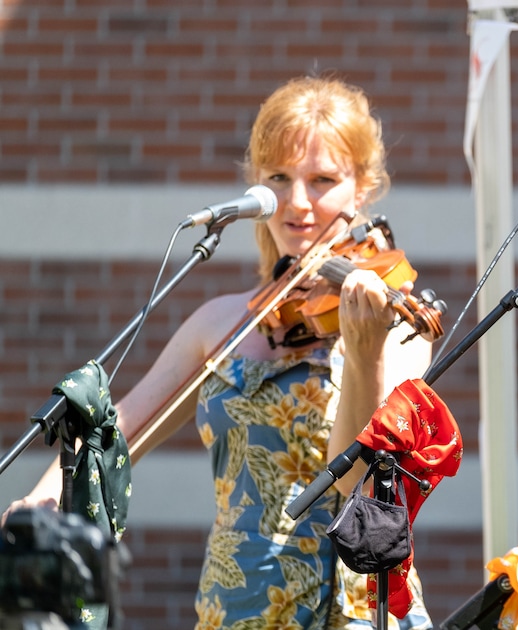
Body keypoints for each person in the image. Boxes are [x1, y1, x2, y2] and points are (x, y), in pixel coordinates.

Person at [4, 76, 434, 630]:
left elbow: (355, 488)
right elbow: (122, 432)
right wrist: (37, 501)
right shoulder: (220, 322)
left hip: (353, 612)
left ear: (363, 190)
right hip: (240, 608)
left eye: (323, 180)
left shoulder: (395, 324)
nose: (298, 202)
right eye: (279, 178)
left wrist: (364, 350)